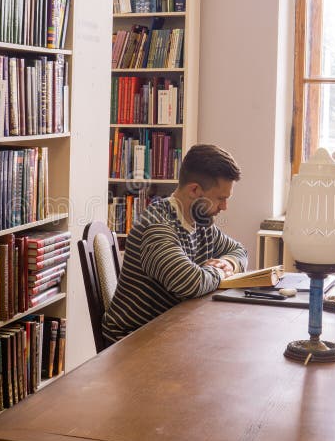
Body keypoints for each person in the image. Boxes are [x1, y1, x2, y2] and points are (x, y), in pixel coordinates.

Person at [102, 144, 248, 344]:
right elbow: (190, 283)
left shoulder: (201, 221)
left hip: (172, 331)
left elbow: (239, 250)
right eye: (220, 198)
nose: (224, 207)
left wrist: (229, 263)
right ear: (194, 190)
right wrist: (221, 273)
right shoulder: (156, 227)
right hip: (133, 342)